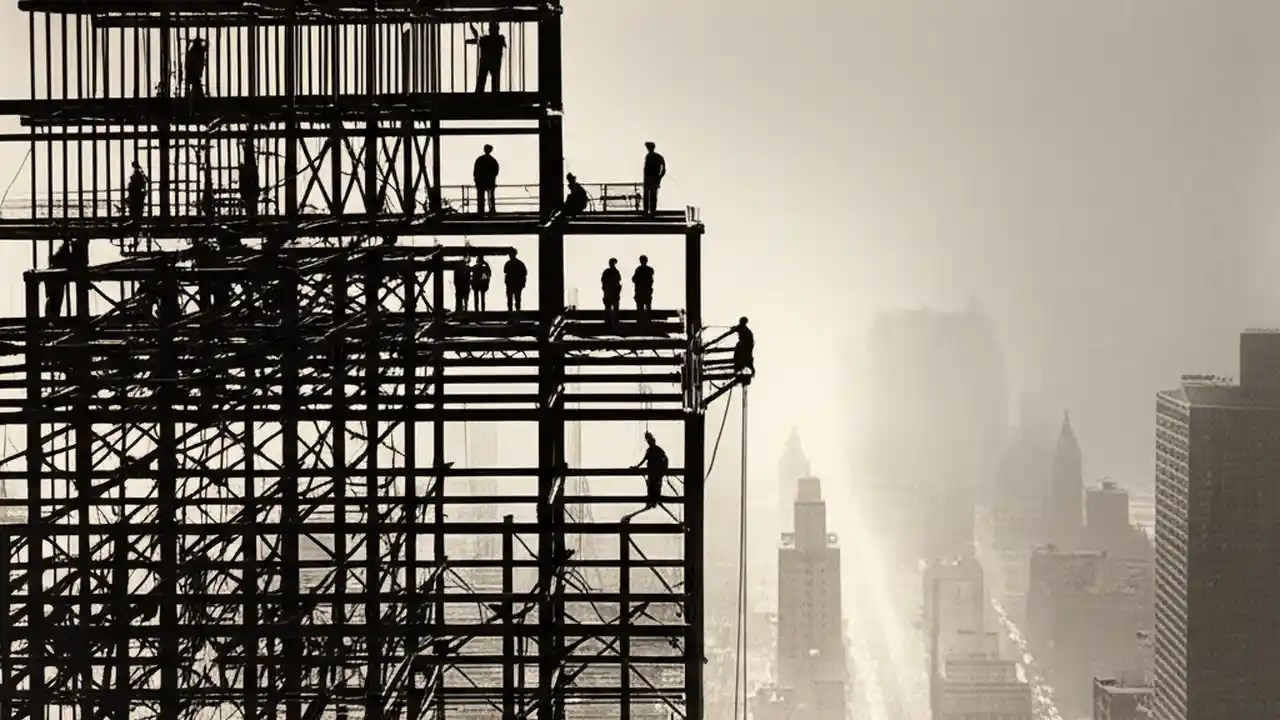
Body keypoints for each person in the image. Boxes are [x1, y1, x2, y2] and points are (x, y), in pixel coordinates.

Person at [44, 236, 88, 320]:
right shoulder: (63, 260)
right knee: (55, 299)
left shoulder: (59, 262)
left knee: (54, 299)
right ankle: (52, 317)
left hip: (56, 279)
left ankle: (52, 317)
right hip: (56, 278)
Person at [631, 431, 669, 510]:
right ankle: (653, 502)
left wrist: (664, 470)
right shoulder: (654, 450)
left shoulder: (656, 450)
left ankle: (652, 502)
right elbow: (665, 460)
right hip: (654, 474)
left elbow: (665, 460)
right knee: (653, 490)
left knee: (653, 490)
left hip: (655, 474)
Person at [467, 22, 507, 93]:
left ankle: (479, 94)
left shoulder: (487, 39)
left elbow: (477, 39)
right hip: (494, 63)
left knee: (482, 82)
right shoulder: (499, 39)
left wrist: (471, 27)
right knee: (494, 82)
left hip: (486, 63)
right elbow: (504, 44)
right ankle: (492, 94)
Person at [473, 144, 500, 216]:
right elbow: (496, 171)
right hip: (489, 182)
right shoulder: (493, 160)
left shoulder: (480, 159)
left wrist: (476, 180)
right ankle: (491, 211)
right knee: (490, 197)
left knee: (481, 198)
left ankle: (480, 211)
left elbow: (475, 171)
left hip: (481, 182)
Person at [642, 141, 666, 215]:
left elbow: (664, 169)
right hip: (650, 180)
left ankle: (651, 211)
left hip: (652, 179)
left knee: (652, 196)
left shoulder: (656, 157)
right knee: (648, 196)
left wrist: (659, 177)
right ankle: (649, 211)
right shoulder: (650, 156)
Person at [239, 143, 259, 220]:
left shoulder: (246, 171)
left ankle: (251, 215)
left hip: (249, 190)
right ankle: (252, 215)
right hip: (250, 190)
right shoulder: (250, 170)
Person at [601, 257, 622, 322]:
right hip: (611, 292)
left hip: (611, 292)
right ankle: (613, 320)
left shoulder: (608, 272)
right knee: (612, 307)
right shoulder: (614, 272)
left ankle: (610, 320)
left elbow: (603, 281)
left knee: (609, 307)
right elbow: (618, 280)